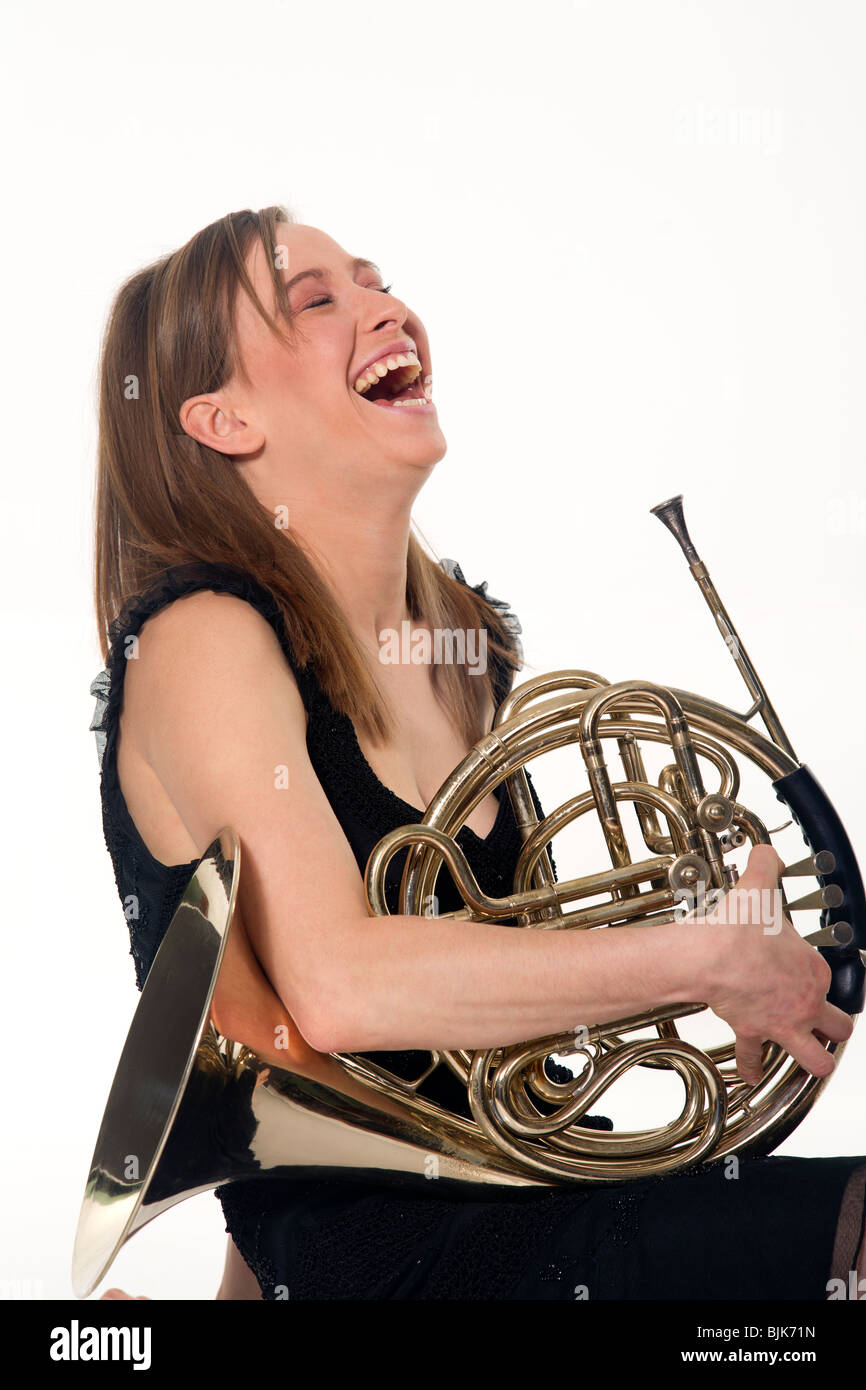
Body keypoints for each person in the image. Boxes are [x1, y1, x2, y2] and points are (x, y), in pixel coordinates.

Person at [88, 205, 866, 1301]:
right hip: (395, 1255)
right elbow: (336, 989)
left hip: (528, 1194)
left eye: (374, 279)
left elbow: (369, 1077)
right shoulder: (201, 636)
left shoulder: (455, 647)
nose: (383, 307)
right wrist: (700, 957)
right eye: (317, 301)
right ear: (222, 418)